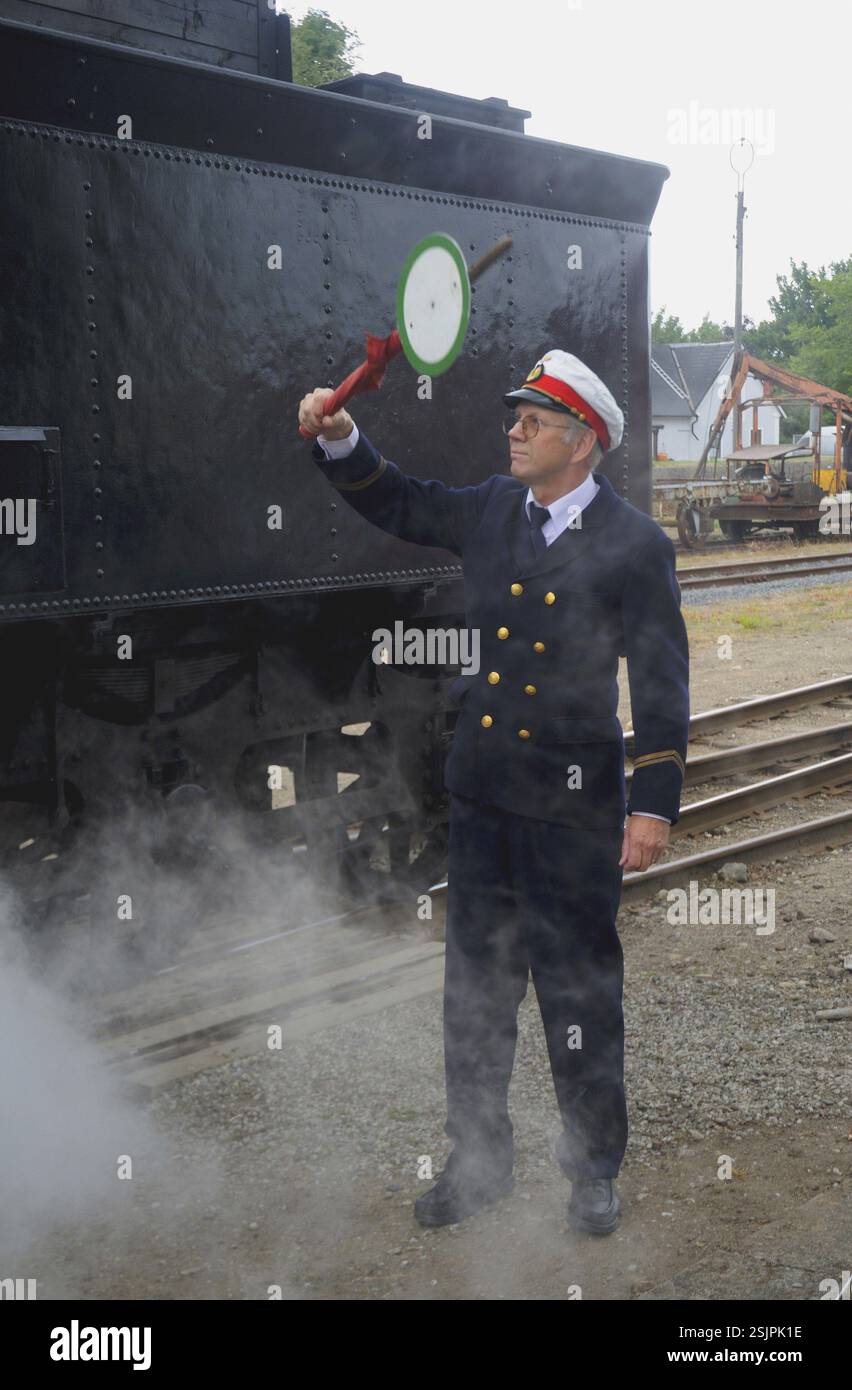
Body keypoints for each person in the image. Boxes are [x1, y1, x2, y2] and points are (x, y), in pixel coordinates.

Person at [298, 349, 689, 1236]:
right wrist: (340, 434)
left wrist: (652, 804)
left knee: (578, 993)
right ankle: (479, 1164)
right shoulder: (490, 509)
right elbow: (398, 496)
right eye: (515, 419)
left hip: (573, 807)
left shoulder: (637, 544)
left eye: (533, 421)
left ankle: (592, 1171)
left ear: (581, 441)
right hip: (482, 798)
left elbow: (664, 684)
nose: (513, 432)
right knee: (474, 991)